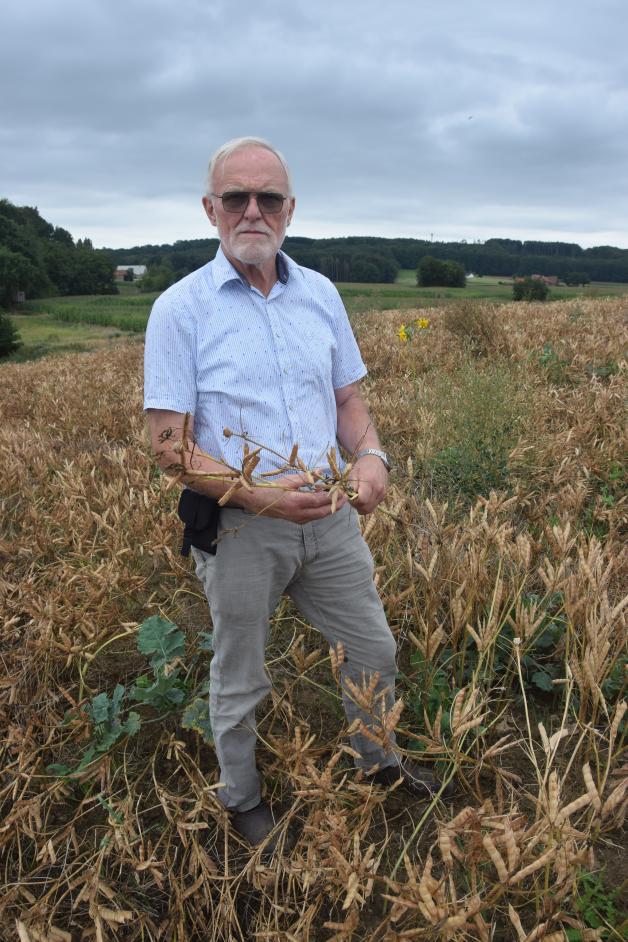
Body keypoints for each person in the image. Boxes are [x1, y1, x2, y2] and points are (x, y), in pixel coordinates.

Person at [144, 137, 448, 850]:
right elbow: (167, 446)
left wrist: (370, 456)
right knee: (241, 672)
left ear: (290, 209)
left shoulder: (321, 294)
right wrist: (259, 498)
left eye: (269, 198)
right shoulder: (179, 310)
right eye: (236, 198)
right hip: (243, 529)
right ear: (210, 209)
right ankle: (243, 800)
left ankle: (377, 763)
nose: (254, 210)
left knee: (373, 648)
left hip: (332, 518)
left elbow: (348, 402)